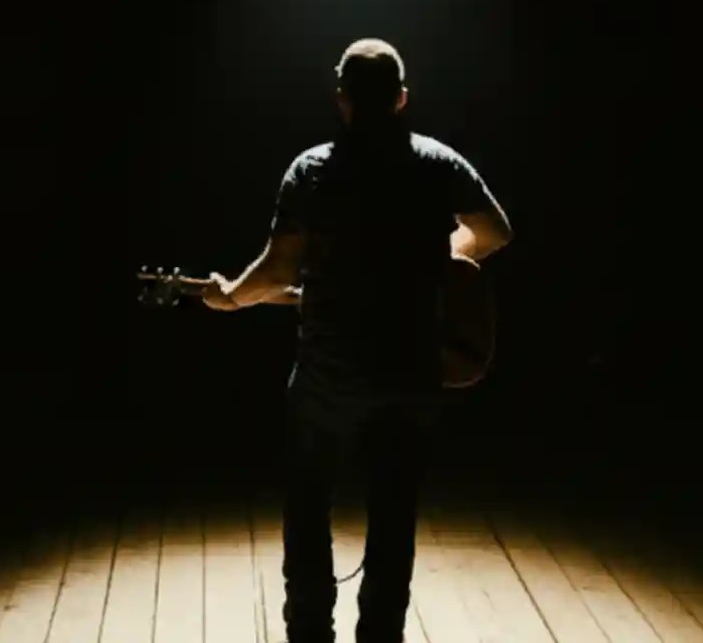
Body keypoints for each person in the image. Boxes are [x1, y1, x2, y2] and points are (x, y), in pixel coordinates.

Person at [201, 38, 512, 643]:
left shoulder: (313, 170)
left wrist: (229, 295)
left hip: (328, 376)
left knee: (308, 504)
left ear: (341, 100)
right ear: (401, 99)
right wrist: (440, 262)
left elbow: (278, 271)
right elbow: (495, 230)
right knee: (395, 512)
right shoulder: (439, 164)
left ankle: (310, 631)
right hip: (412, 370)